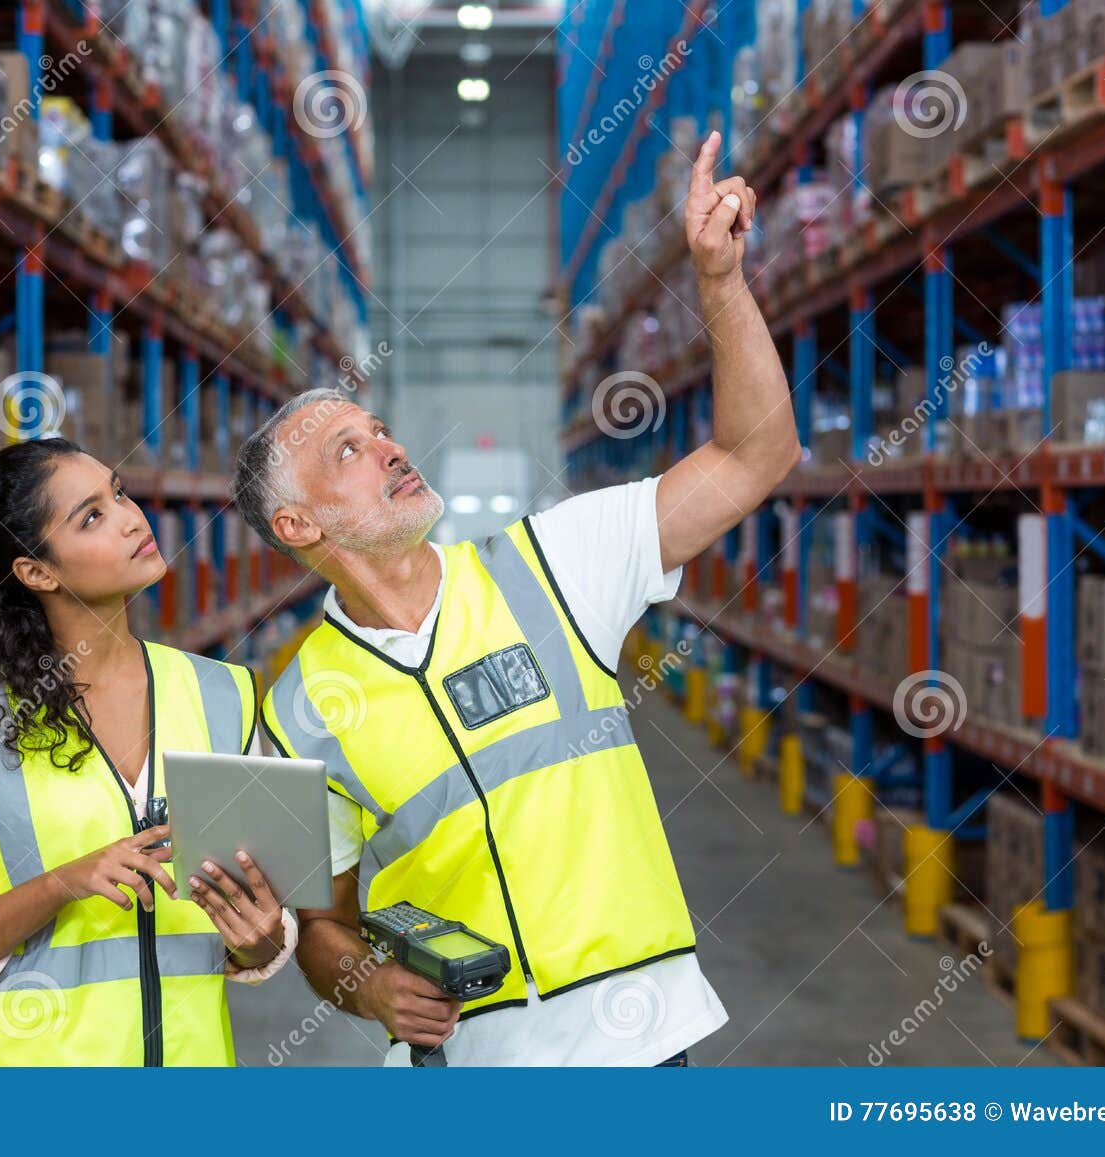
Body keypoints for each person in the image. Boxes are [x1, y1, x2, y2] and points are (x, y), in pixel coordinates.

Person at [235, 130, 799, 1065]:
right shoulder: (298, 712)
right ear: (299, 528)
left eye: (379, 430)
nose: (389, 448)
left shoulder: (555, 559)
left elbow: (755, 455)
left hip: (639, 1043)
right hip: (470, 1062)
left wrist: (720, 282)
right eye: (349, 451)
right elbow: (315, 926)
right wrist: (369, 984)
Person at [0, 437, 296, 1066]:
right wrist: (60, 884)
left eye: (120, 493)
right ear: (37, 572)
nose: (133, 518)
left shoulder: (223, 696)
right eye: (92, 516)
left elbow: (266, 916)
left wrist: (263, 940)